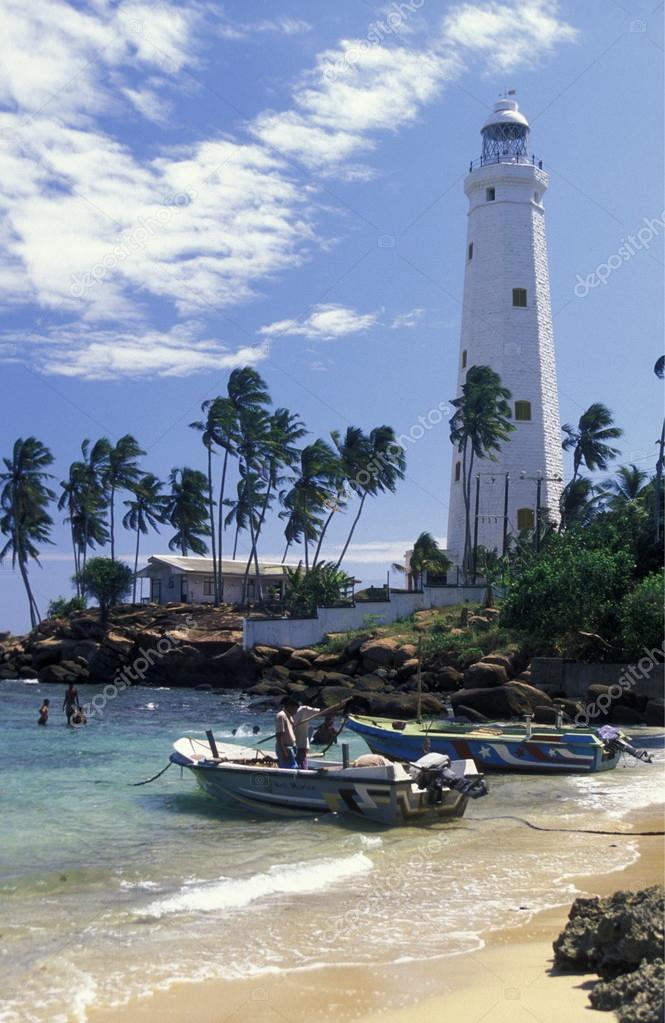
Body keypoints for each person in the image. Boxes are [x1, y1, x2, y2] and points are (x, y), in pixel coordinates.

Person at [293, 698, 352, 769]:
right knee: (300, 757)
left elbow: (335, 739)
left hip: (306, 744)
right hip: (311, 742)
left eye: (329, 719)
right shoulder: (322, 725)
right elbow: (317, 726)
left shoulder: (332, 729)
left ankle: (302, 767)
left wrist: (339, 706)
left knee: (301, 757)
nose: (327, 720)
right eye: (327, 719)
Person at [275, 697, 298, 769]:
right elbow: (279, 735)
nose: (296, 711)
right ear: (289, 707)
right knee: (289, 768)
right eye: (295, 709)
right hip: (285, 748)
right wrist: (284, 751)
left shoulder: (290, 716)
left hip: (291, 747)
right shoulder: (281, 716)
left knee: (293, 767)